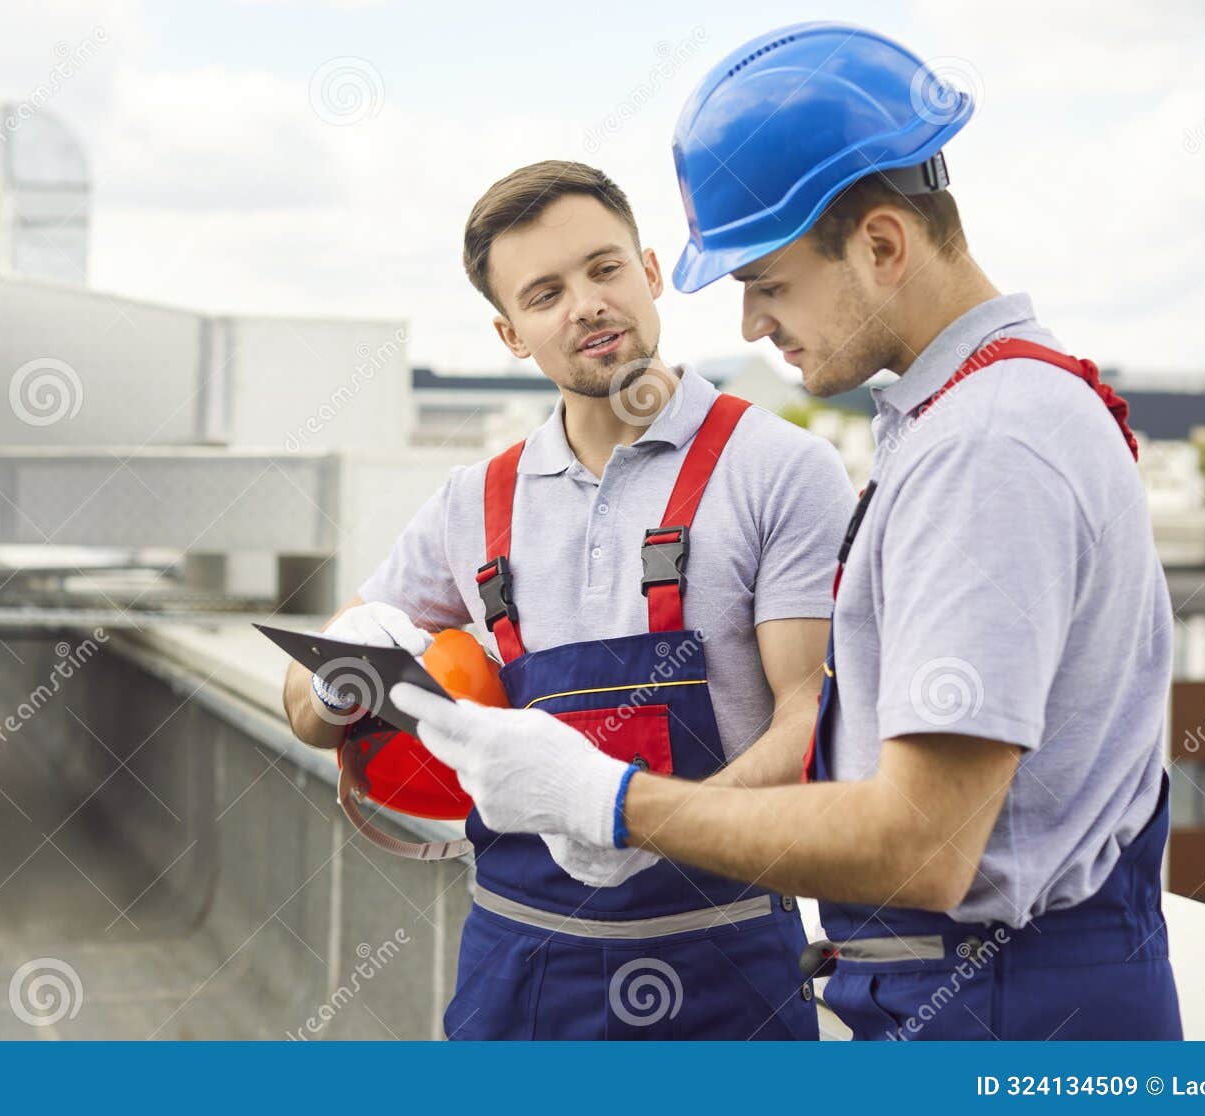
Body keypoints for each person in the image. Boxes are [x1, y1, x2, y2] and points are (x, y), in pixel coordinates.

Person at [392, 24, 1183, 1041]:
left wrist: (615, 803)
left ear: (882, 246)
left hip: (1006, 1016)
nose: (755, 324)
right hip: (971, 993)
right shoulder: (979, 417)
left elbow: (924, 843)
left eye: (768, 282)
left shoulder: (985, 449)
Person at [282, 159, 855, 1039]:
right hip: (518, 975)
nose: (585, 303)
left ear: (653, 272)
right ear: (512, 334)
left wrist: (643, 821)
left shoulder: (780, 470)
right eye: (544, 293)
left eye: (604, 268)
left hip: (725, 972)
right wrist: (335, 679)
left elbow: (803, 717)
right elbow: (310, 712)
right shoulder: (473, 502)